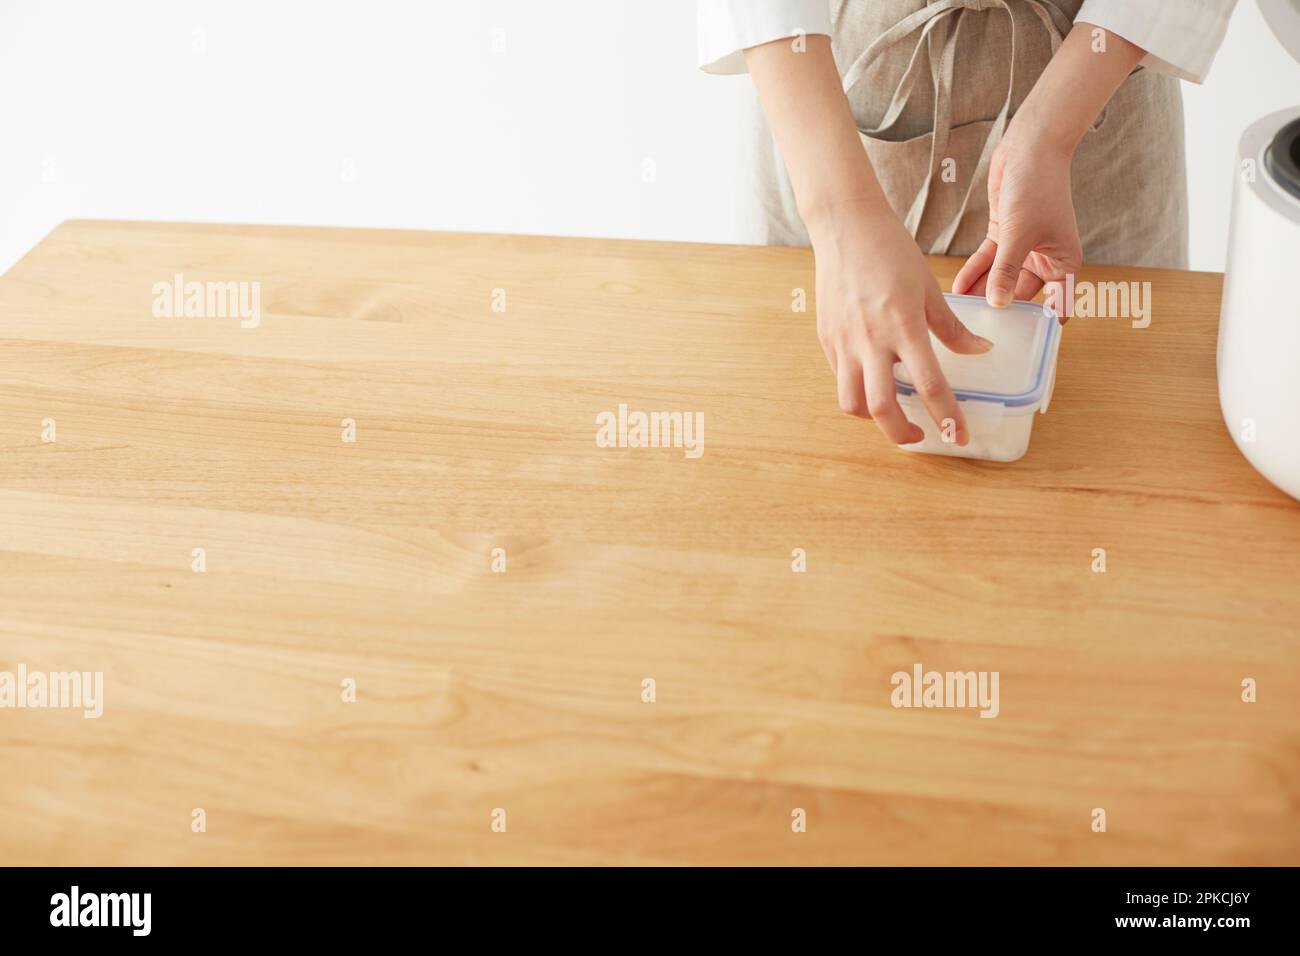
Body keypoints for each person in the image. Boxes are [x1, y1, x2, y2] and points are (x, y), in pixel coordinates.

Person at [698, 0, 1234, 446]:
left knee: (1119, 434)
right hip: (822, 101)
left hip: (1097, 83)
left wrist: (1050, 136)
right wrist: (840, 214)